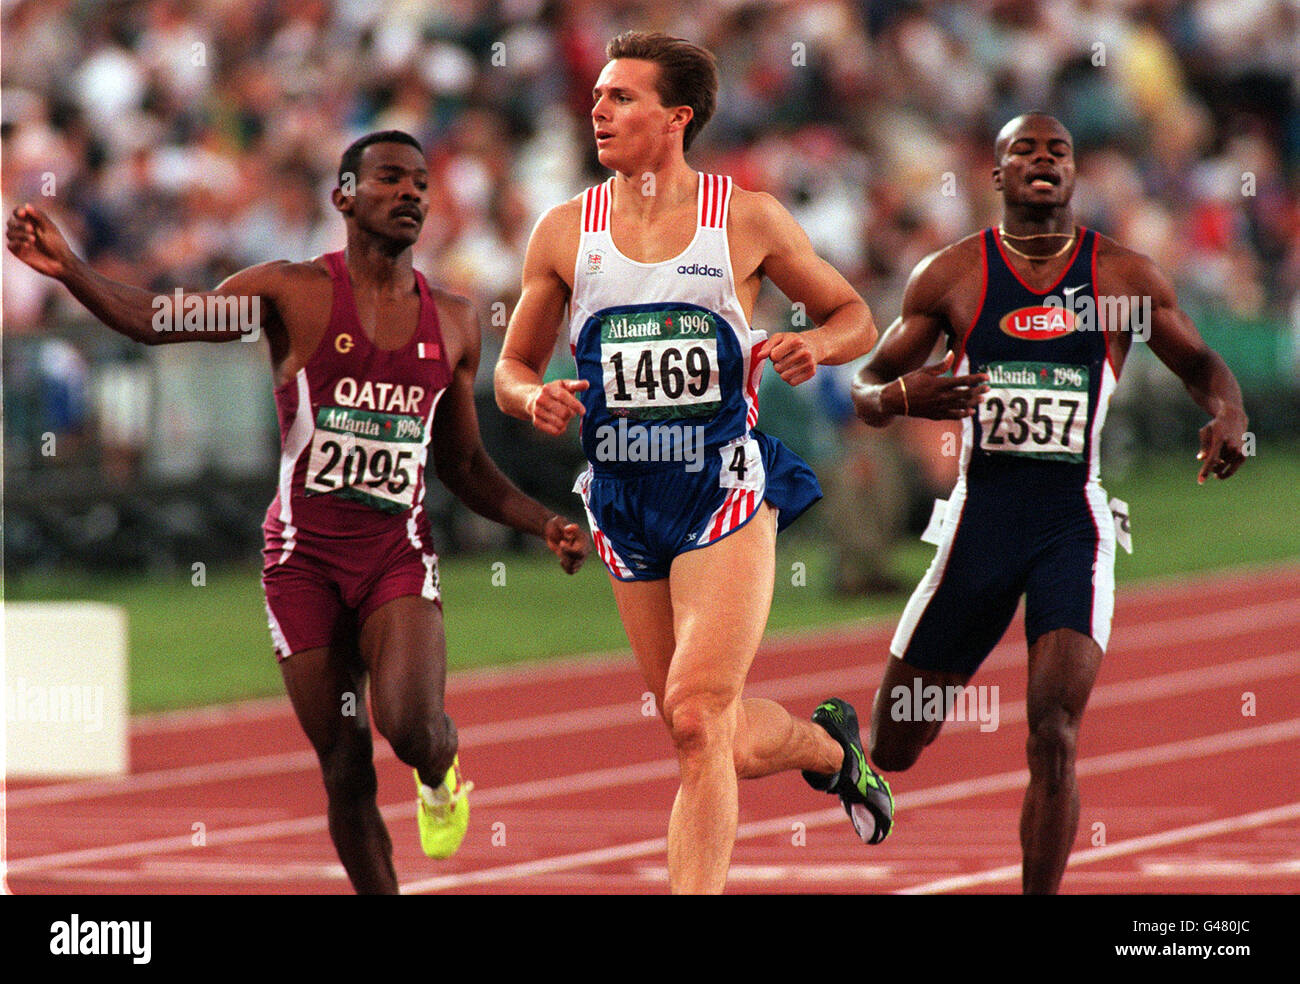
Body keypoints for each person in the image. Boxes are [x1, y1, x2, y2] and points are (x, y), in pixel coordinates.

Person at [5, 130, 590, 896]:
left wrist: (539, 520)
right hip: (302, 562)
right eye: (390, 178)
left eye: (420, 182)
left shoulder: (452, 320)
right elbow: (161, 320)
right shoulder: (292, 291)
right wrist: (73, 270)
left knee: (411, 725)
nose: (411, 192)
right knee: (345, 766)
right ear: (344, 196)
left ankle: (441, 774)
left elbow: (464, 465)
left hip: (393, 552)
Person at [493, 31, 894, 895]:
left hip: (722, 489)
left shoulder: (743, 218)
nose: (598, 109)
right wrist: (536, 399)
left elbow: (856, 313)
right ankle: (830, 748)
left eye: (622, 97)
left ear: (676, 118)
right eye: (598, 95)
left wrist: (813, 345)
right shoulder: (566, 232)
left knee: (695, 715)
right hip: (623, 497)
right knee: (702, 733)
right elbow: (510, 370)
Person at [849, 113, 1249, 894]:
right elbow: (863, 389)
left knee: (1054, 732)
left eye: (1057, 151)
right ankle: (841, 751)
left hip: (1072, 526)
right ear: (996, 177)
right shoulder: (952, 276)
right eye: (1022, 151)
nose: (1042, 161)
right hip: (979, 526)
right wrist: (903, 394)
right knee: (895, 743)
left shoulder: (1122, 280)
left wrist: (1229, 414)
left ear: (1073, 175)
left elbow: (1202, 363)